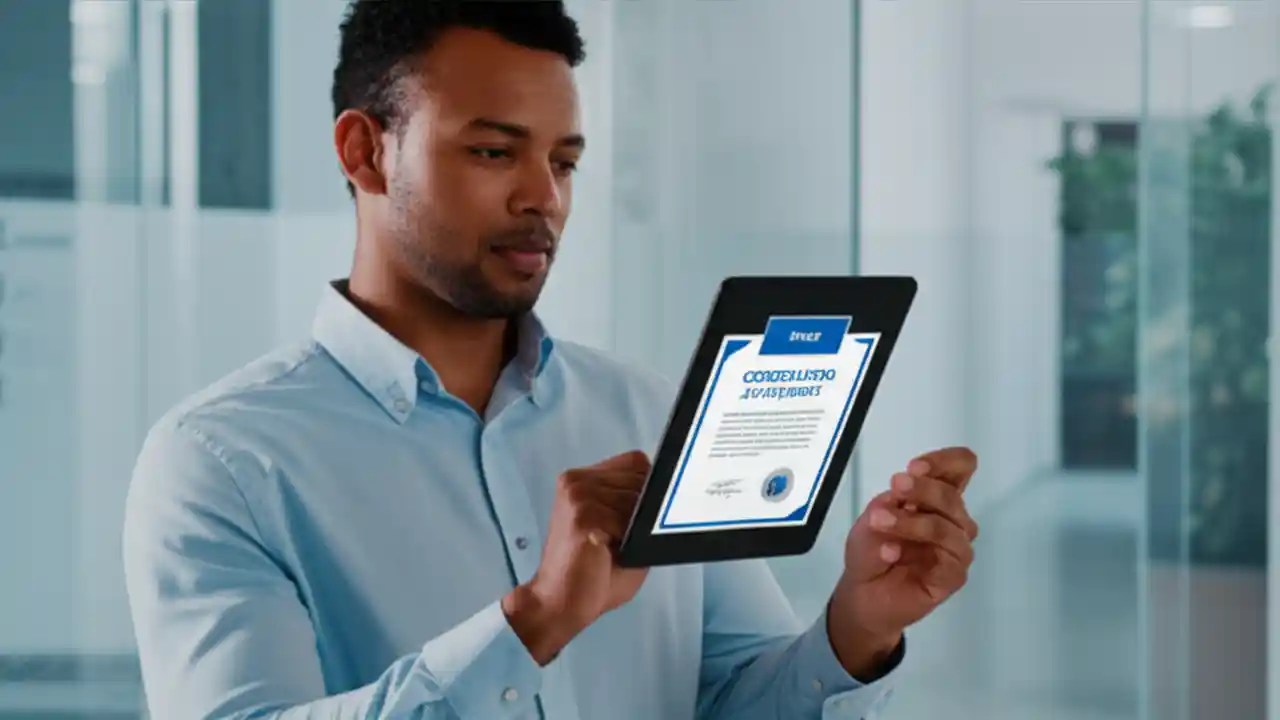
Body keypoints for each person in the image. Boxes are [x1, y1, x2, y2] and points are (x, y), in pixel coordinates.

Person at [122, 2, 980, 718]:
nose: (545, 198)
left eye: (563, 160)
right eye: (494, 152)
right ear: (364, 151)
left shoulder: (644, 414)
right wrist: (532, 621)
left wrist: (856, 629)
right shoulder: (221, 463)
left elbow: (735, 700)